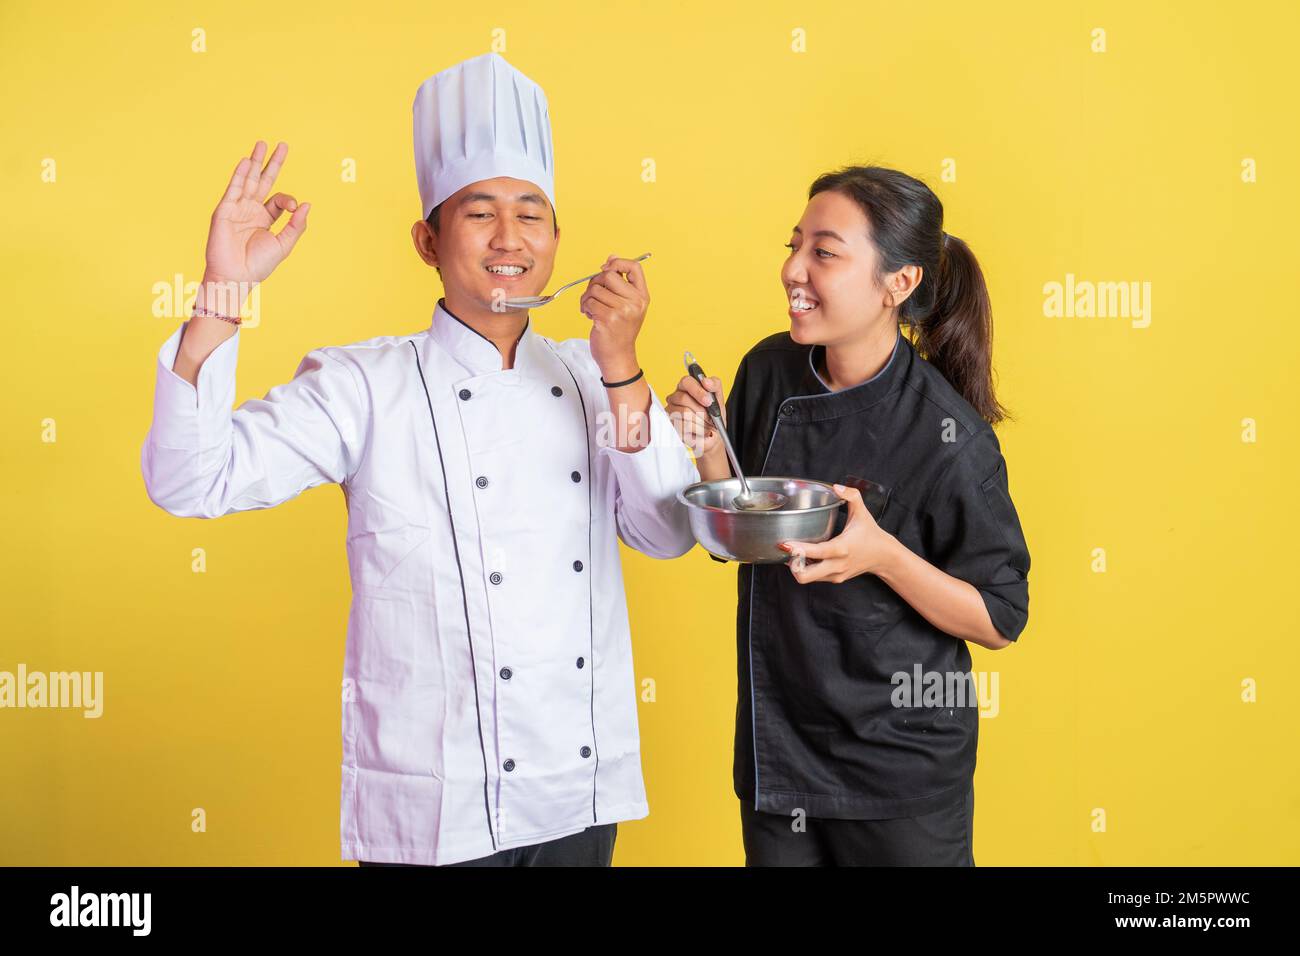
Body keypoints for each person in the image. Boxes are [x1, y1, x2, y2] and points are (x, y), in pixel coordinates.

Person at [141, 52, 699, 867]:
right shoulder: (365, 385)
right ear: (426, 240)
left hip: (577, 795)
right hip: (434, 811)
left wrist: (623, 368)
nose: (510, 239)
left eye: (531, 214)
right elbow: (191, 479)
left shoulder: (596, 376)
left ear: (555, 239)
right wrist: (224, 290)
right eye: (479, 215)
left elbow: (665, 533)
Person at [667, 165, 1031, 866]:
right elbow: (738, 537)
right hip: (779, 751)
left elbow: (999, 620)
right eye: (793, 244)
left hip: (899, 774)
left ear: (900, 283)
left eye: (824, 253)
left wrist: (883, 554)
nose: (793, 269)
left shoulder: (948, 435)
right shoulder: (770, 370)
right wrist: (708, 448)